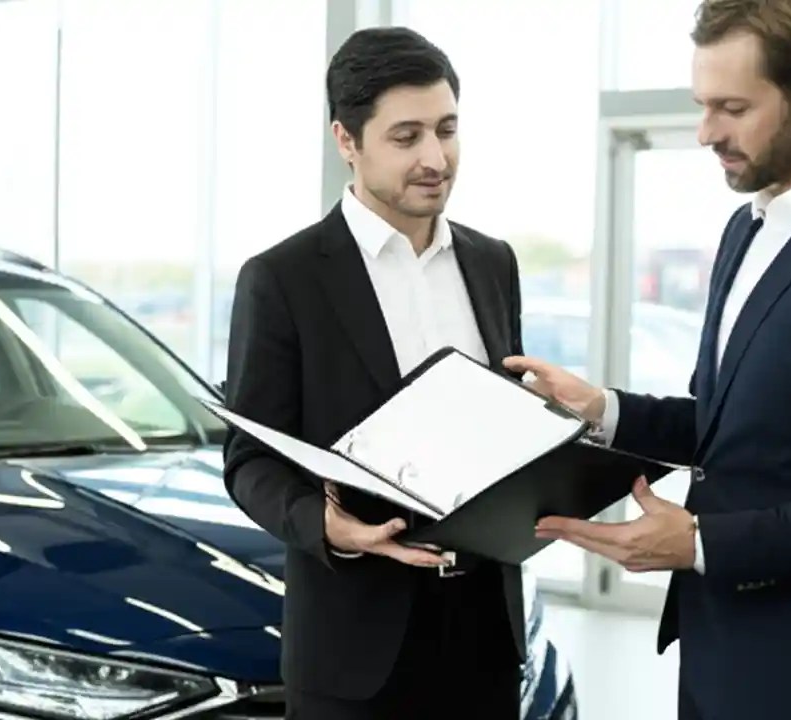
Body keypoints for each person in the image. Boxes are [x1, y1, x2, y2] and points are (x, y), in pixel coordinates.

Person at [505, 1, 791, 718]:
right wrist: (604, 410)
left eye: (732, 107)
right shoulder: (745, 229)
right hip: (723, 639)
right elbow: (730, 429)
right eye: (702, 105)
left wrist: (699, 542)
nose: (705, 132)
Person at [222, 26, 526, 719]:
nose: (435, 157)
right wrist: (327, 528)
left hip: (486, 630)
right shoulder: (283, 279)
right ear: (347, 141)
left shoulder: (493, 263)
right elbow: (248, 462)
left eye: (447, 130)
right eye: (406, 135)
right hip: (355, 643)